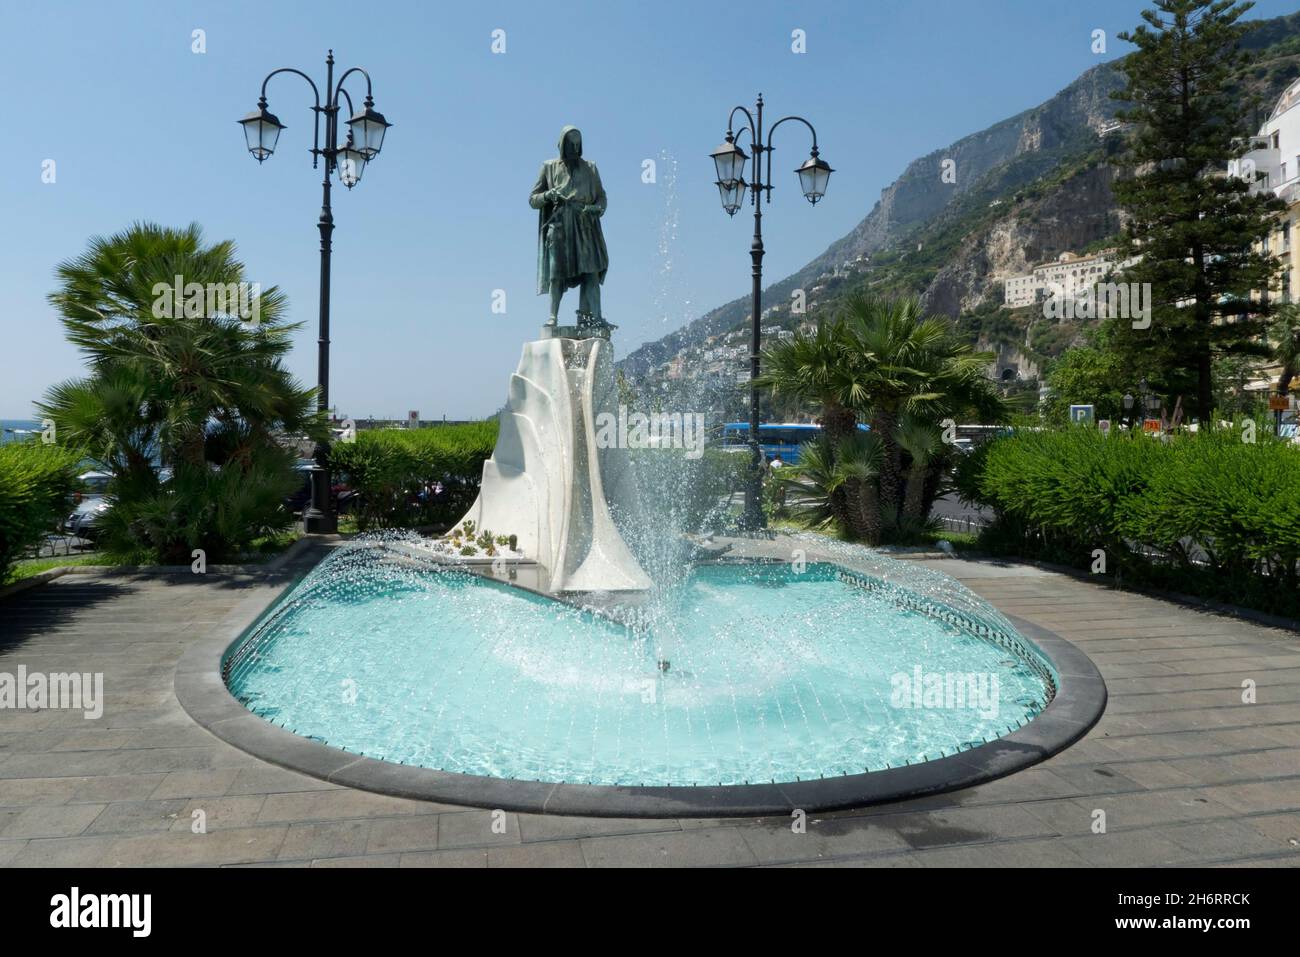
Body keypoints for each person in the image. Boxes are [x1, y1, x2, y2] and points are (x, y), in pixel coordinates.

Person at [529, 126, 609, 326]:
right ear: (562, 144)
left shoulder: (590, 168)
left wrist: (594, 208)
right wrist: (548, 195)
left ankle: (595, 317)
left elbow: (602, 197)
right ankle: (553, 316)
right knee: (557, 272)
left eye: (577, 144)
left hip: (585, 225)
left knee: (591, 272)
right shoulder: (549, 167)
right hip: (560, 225)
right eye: (570, 144)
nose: (574, 148)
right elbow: (533, 200)